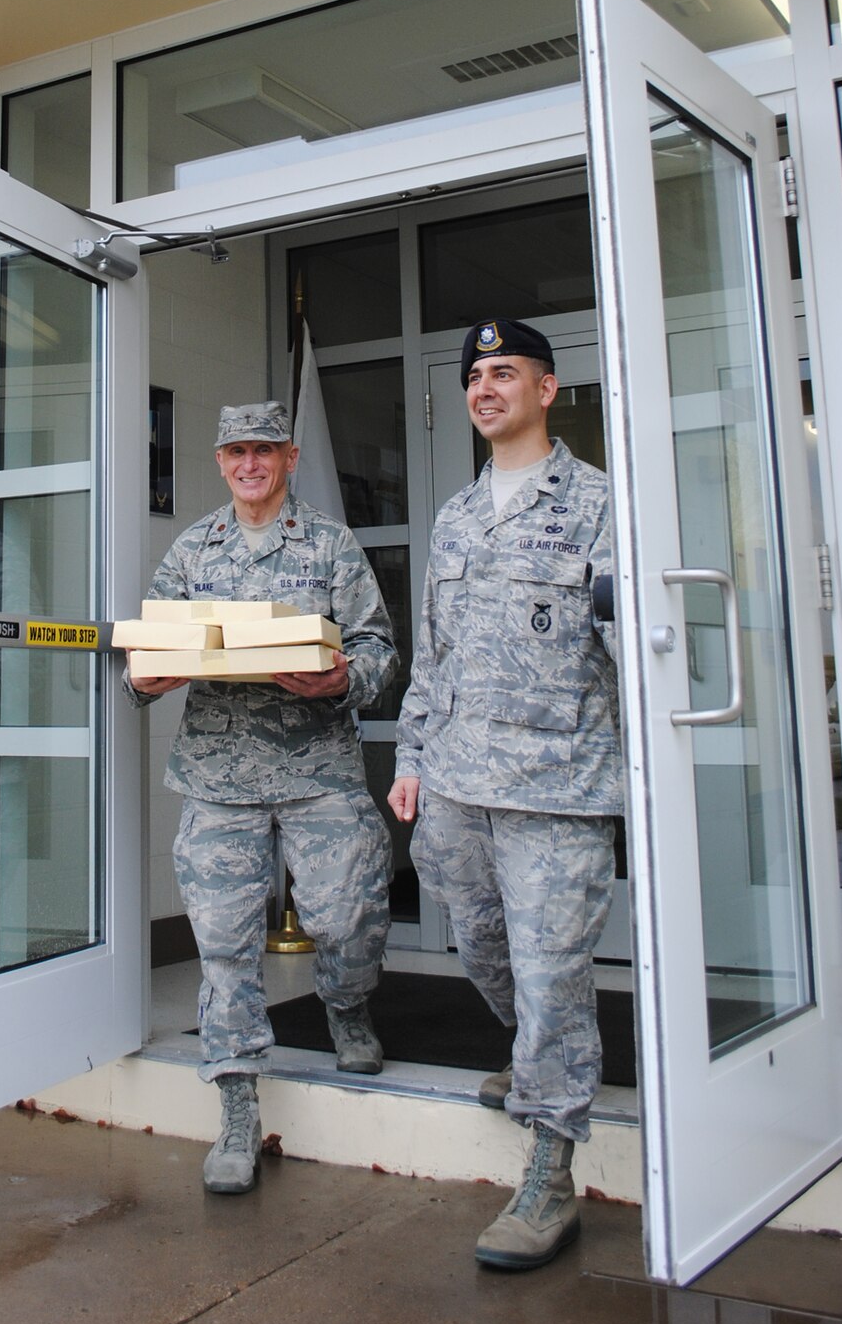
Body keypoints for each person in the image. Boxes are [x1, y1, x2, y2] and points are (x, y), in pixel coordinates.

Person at [388, 319, 619, 1271]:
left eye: (505, 373)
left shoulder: (603, 502)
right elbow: (430, 653)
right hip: (453, 783)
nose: (486, 389)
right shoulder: (455, 515)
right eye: (475, 376)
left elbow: (634, 647)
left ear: (548, 389)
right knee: (482, 943)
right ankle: (535, 1059)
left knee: (552, 965)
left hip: (557, 786)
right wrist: (408, 755)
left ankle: (551, 1166)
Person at [127, 401, 397, 1196]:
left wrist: (345, 676)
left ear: (289, 458)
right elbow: (147, 650)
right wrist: (144, 677)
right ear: (220, 462)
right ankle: (238, 1107)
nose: (250, 464)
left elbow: (378, 645)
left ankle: (347, 1005)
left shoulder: (328, 544)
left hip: (318, 772)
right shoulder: (190, 549)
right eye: (236, 452)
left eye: (265, 451)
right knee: (223, 948)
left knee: (347, 915)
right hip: (219, 781)